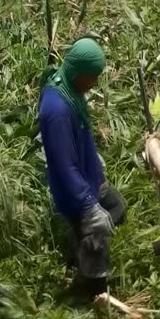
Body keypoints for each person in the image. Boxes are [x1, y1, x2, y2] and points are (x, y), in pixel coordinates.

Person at [38, 38, 126, 301]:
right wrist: (88, 206)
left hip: (89, 176)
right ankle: (92, 293)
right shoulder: (57, 111)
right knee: (94, 239)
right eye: (93, 77)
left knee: (117, 208)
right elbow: (64, 167)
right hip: (77, 191)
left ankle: (74, 250)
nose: (95, 83)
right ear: (78, 73)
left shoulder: (64, 83)